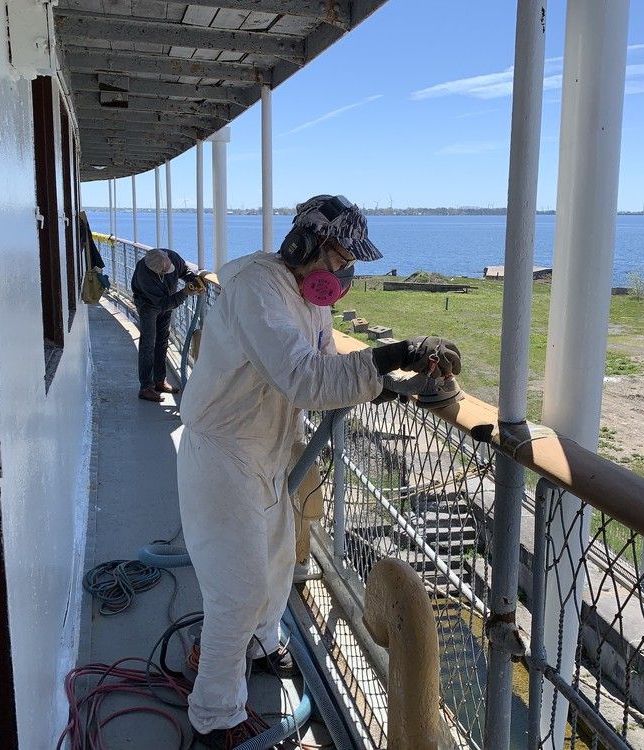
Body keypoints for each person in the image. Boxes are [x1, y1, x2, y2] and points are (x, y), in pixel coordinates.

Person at [176, 194, 461, 748]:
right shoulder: (258, 289)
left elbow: (329, 372)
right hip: (224, 454)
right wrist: (393, 354)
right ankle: (215, 716)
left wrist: (396, 387)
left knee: (277, 563)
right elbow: (304, 380)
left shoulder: (313, 301)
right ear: (304, 244)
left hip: (267, 452)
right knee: (238, 587)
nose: (345, 272)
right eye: (339, 256)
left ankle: (256, 647)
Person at [131, 248, 205, 402]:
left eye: (169, 268)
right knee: (148, 344)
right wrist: (185, 293)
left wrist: (194, 280)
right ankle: (145, 387)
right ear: (156, 271)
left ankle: (159, 380)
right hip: (148, 306)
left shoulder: (173, 258)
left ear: (167, 258)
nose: (169, 272)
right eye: (165, 272)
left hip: (167, 301)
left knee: (162, 341)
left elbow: (184, 271)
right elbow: (162, 304)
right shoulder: (144, 274)